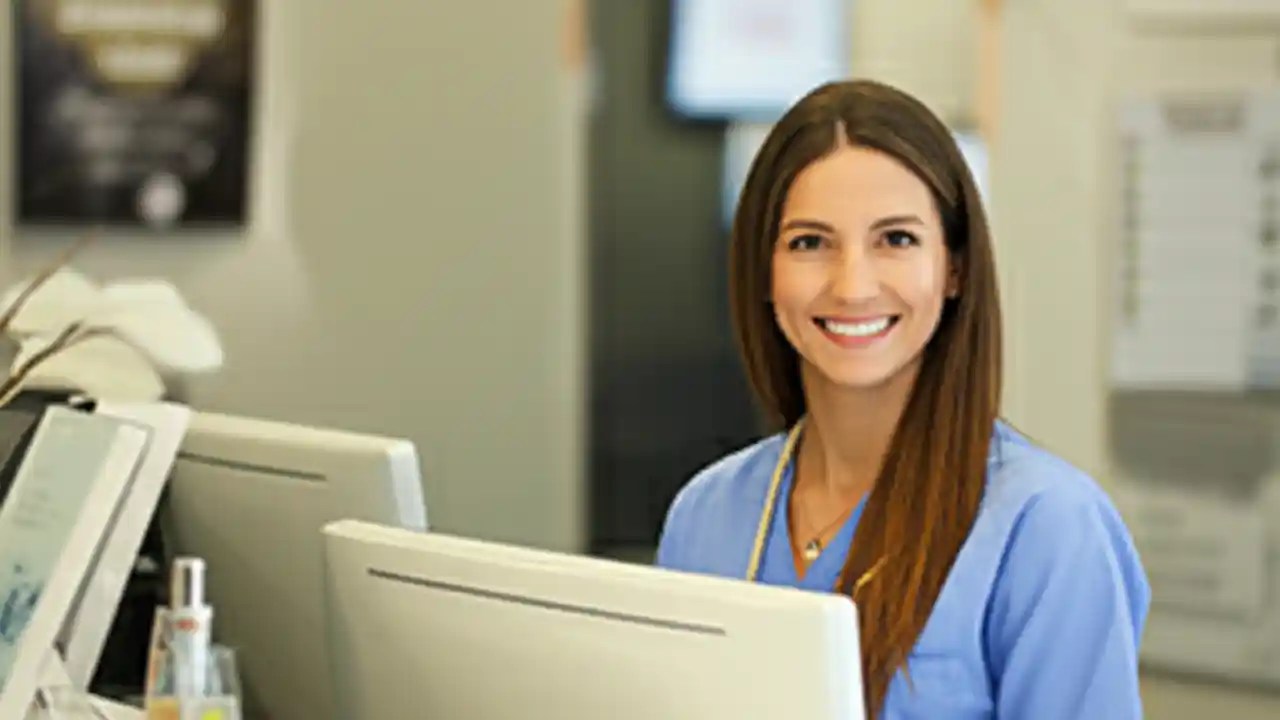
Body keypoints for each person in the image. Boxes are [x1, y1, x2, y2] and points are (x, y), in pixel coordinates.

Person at [654, 80, 1149, 719]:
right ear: (764, 271)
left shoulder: (1045, 526)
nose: (853, 285)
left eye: (896, 239)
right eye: (810, 242)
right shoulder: (707, 515)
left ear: (955, 269)